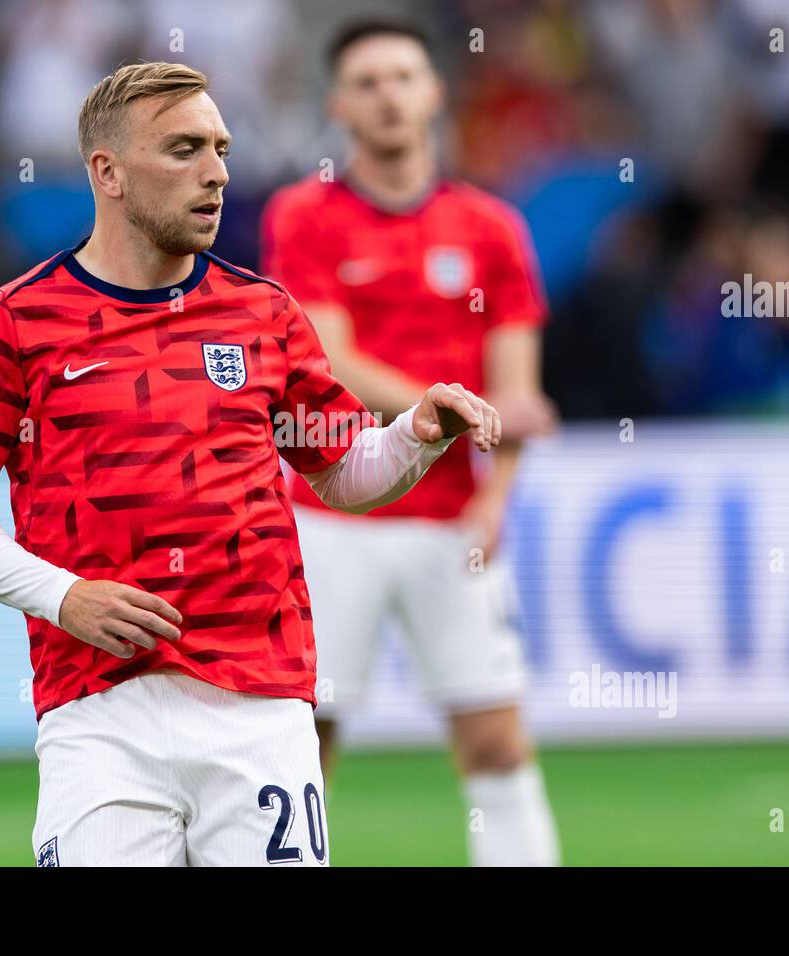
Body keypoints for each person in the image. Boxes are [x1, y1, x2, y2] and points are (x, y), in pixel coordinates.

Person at [0, 61, 503, 867]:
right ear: (107, 172)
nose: (217, 173)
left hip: (260, 706)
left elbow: (343, 473)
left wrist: (415, 433)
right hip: (98, 712)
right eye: (184, 149)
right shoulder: (19, 322)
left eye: (221, 149)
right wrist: (65, 597)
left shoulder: (262, 312)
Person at [261, 21, 560, 866]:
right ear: (338, 105)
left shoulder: (492, 228)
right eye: (367, 81)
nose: (388, 94)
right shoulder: (305, 217)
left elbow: (516, 393)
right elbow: (330, 359)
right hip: (329, 514)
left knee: (497, 741)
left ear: (433, 94)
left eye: (404, 76)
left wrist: (499, 496)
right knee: (302, 741)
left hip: (450, 521)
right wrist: (452, 405)